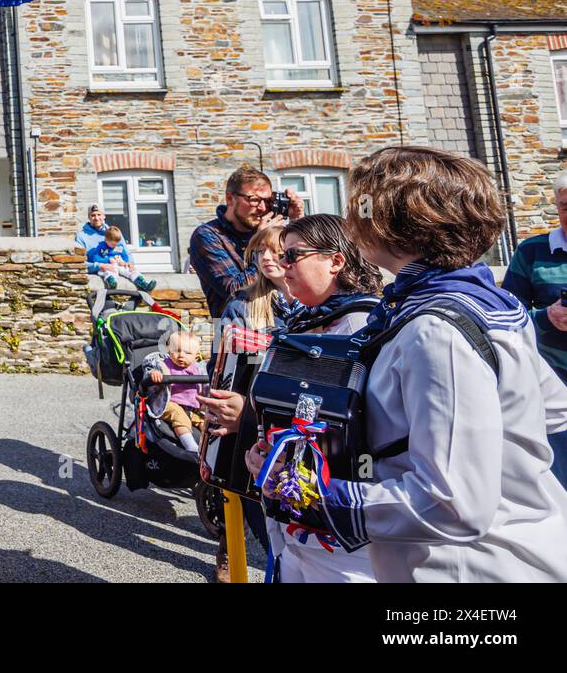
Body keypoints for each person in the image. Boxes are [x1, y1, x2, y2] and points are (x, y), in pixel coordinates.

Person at [284, 146, 567, 582]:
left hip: (471, 568)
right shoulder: (488, 302)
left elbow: (451, 501)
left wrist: (310, 495)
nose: (352, 217)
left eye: (360, 204)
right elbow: (551, 409)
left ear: (393, 220)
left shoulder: (435, 329)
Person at [243, 213, 381, 583]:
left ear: (336, 260)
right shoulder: (306, 322)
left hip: (345, 539)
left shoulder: (364, 327)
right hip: (299, 519)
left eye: (293, 255)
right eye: (282, 256)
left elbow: (365, 433)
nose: (283, 265)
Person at [501, 169, 567, 487]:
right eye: (566, 206)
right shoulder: (532, 251)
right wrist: (545, 317)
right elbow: (507, 317)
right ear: (557, 206)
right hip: (552, 386)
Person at [188, 167, 303, 319]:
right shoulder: (207, 235)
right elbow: (235, 290)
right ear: (230, 199)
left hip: (288, 323)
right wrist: (260, 242)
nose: (262, 208)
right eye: (254, 200)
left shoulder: (273, 230)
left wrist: (298, 220)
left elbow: (303, 269)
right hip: (240, 330)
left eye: (267, 201)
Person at [145, 330, 207, 452]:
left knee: (205, 421)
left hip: (191, 408)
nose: (181, 355)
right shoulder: (163, 365)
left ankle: (210, 448)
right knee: (179, 415)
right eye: (177, 351)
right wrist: (154, 374)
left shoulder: (199, 369)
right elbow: (149, 372)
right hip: (167, 404)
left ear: (196, 355)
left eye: (187, 353)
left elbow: (206, 387)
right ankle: (190, 447)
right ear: (169, 350)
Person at [86, 225, 156, 292]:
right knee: (110, 271)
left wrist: (124, 262)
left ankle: (143, 284)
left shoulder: (119, 246)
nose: (115, 246)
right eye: (113, 244)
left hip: (119, 263)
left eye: (117, 243)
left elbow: (125, 256)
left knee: (129, 270)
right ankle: (111, 282)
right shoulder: (102, 247)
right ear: (106, 240)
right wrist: (107, 260)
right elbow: (96, 258)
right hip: (109, 265)